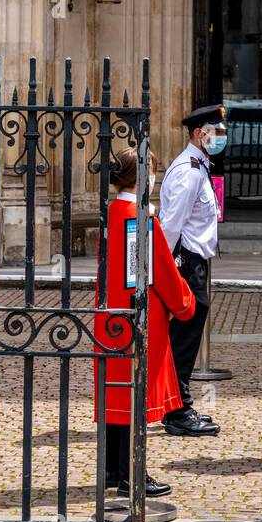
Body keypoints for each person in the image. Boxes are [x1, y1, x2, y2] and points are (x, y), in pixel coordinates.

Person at [95, 147, 196, 497]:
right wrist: (185, 304)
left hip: (110, 316)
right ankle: (130, 474)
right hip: (141, 316)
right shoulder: (141, 217)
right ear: (142, 177)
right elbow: (164, 274)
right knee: (135, 392)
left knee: (117, 392)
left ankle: (111, 469)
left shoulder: (113, 210)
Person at [157, 104, 226, 437]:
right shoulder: (188, 170)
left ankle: (172, 399)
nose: (222, 137)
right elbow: (171, 224)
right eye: (218, 131)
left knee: (185, 329)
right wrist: (167, 267)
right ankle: (176, 408)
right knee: (186, 329)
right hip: (185, 259)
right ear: (201, 133)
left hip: (193, 258)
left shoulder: (198, 166)